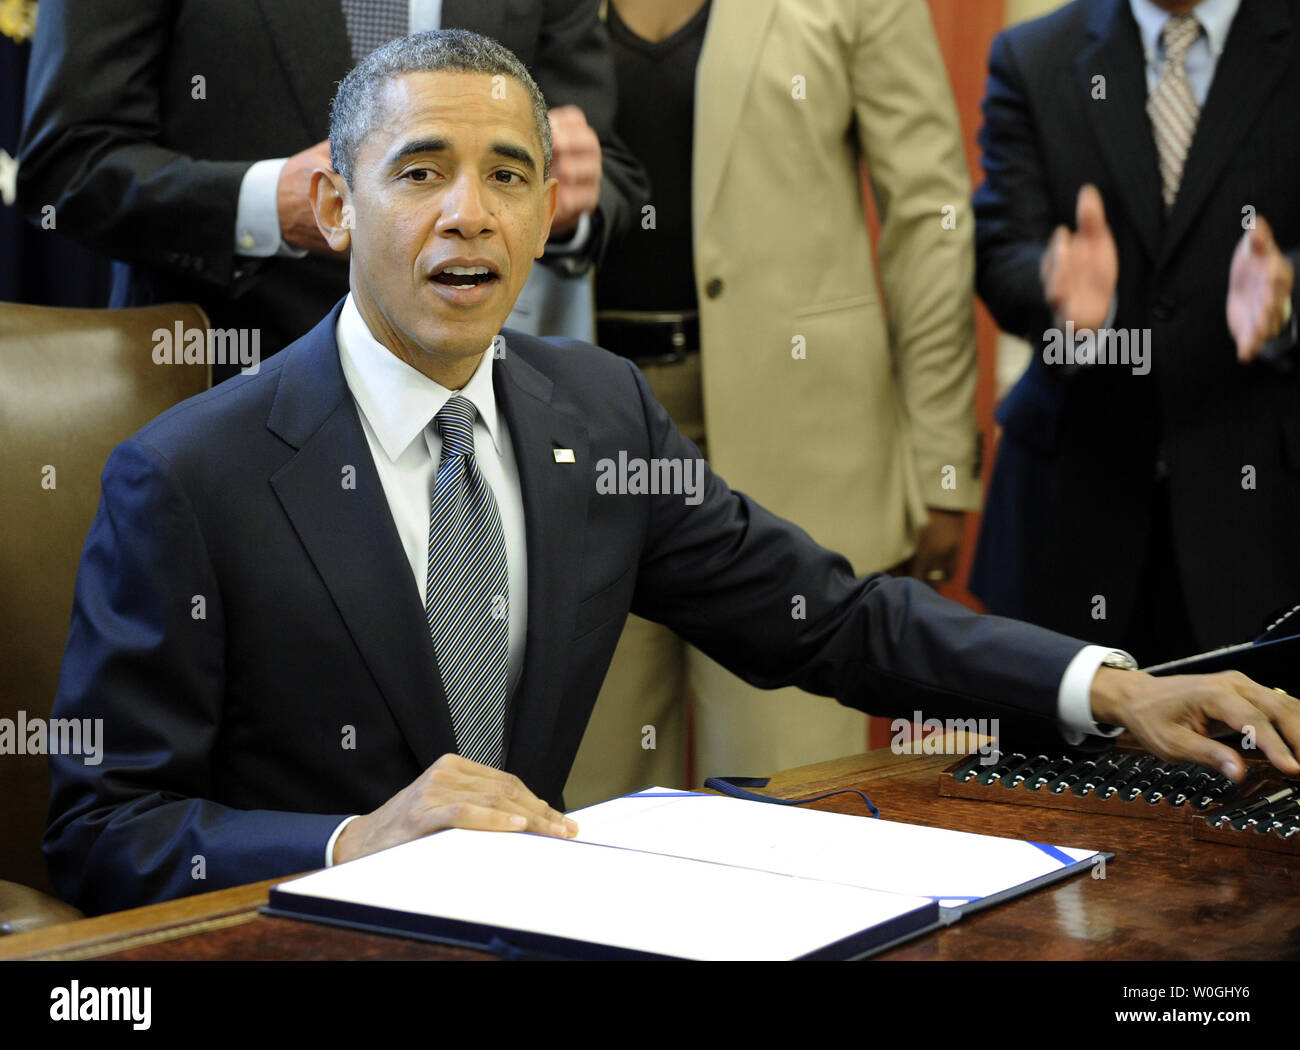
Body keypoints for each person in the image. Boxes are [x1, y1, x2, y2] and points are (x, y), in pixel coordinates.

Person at [45, 30, 1300, 917]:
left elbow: (836, 619)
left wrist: (1111, 686)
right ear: (334, 207)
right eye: (419, 171)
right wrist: (348, 841)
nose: (467, 214)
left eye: (509, 177)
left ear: (550, 221)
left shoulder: (596, 414)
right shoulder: (188, 474)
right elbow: (105, 829)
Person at [567, 0, 982, 806]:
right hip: (583, 428)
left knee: (787, 801)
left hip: (803, 436)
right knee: (588, 801)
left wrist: (939, 462)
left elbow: (929, 212)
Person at [17, 0, 648, 376]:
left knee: (481, 602)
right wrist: (263, 206)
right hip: (223, 384)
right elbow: (68, 162)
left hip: (480, 406)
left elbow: (609, 174)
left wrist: (560, 207)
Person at [970, 0, 1300, 664]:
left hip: (1263, 521)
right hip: (1070, 521)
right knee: (1043, 767)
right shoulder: (1033, 56)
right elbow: (1001, 250)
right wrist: (1058, 293)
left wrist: (1288, 301)